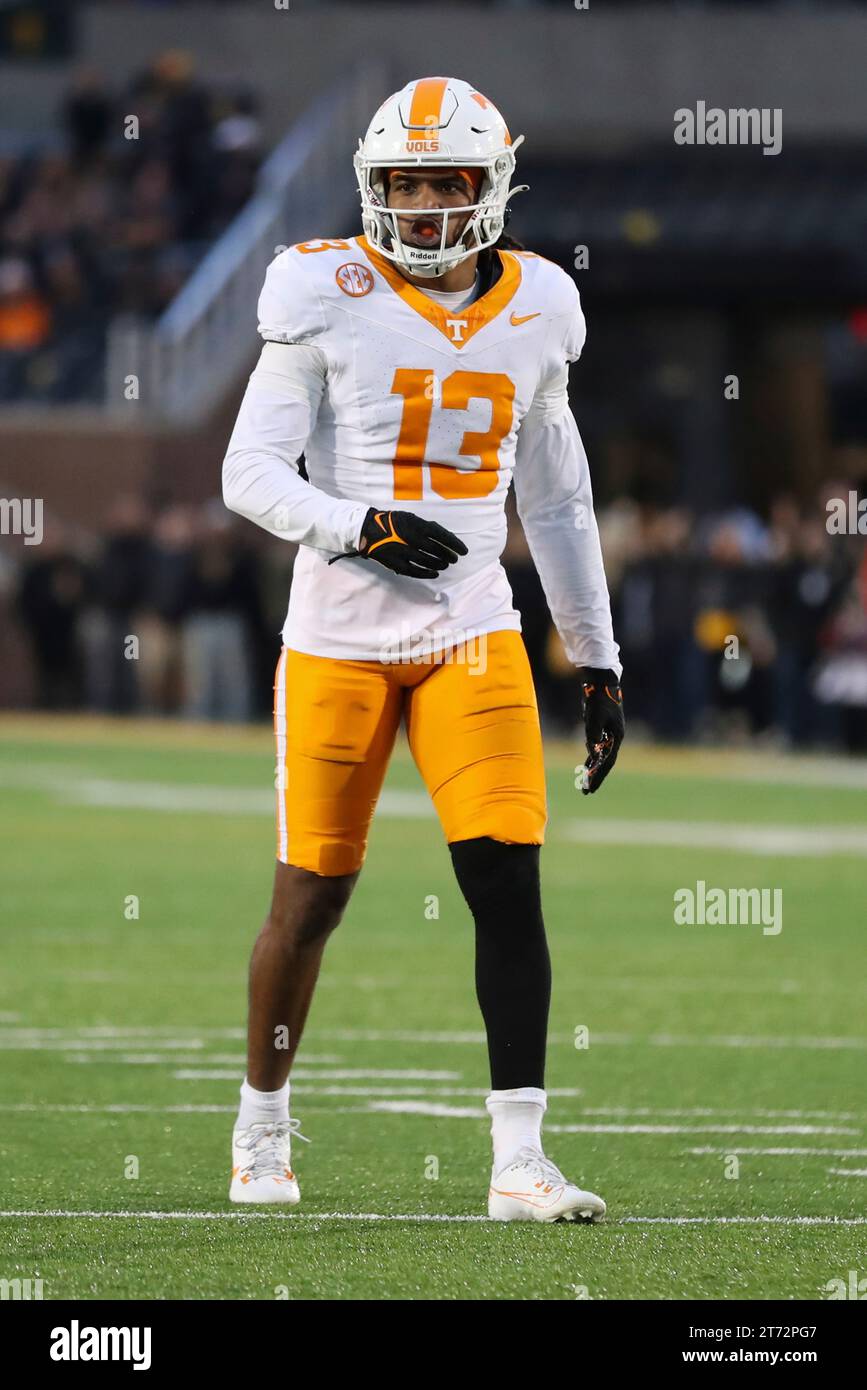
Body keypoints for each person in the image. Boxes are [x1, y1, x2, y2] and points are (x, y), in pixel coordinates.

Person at [222, 76, 624, 1222]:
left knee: (506, 876)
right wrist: (361, 526)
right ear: (373, 186)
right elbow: (248, 472)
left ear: (491, 186)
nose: (422, 204)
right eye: (402, 183)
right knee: (312, 894)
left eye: (445, 182)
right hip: (337, 636)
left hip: (470, 630)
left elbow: (559, 501)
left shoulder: (540, 304)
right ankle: (261, 1121)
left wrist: (596, 656)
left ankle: (520, 1160)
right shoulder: (323, 287)